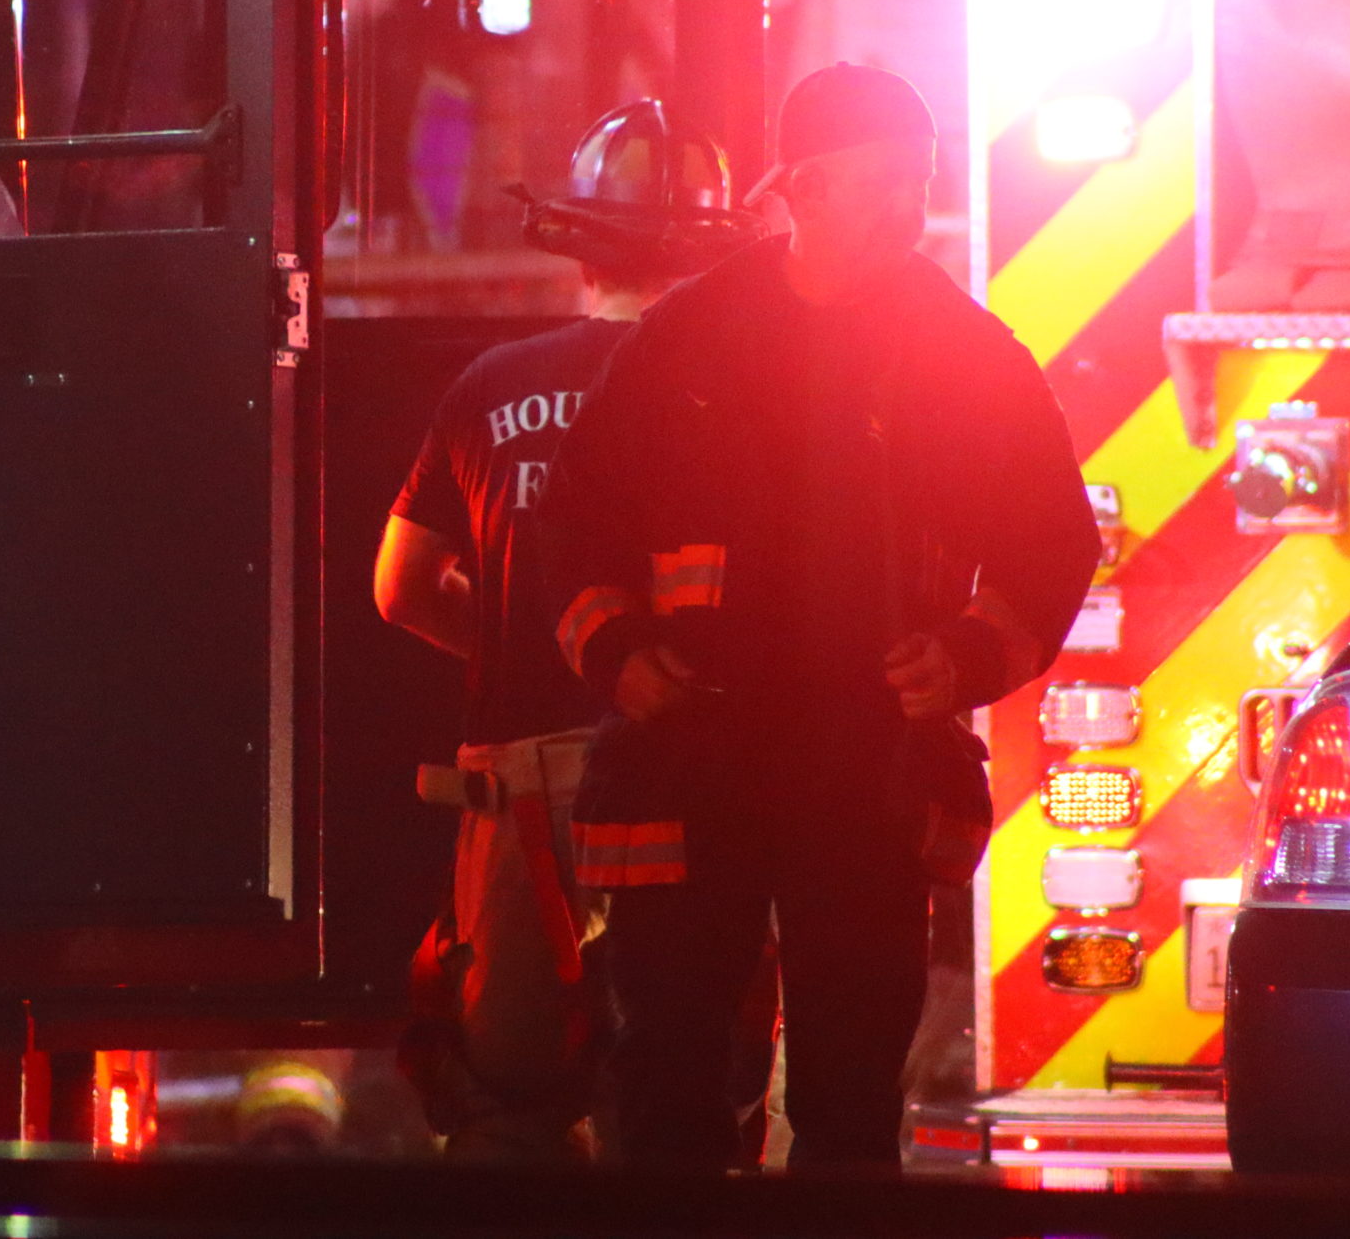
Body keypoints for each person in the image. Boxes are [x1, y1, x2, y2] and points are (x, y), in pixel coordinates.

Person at [541, 63, 1099, 1172]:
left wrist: (969, 655)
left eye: (920, 180)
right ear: (802, 188)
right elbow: (573, 517)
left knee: (849, 1098)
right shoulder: (685, 340)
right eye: (882, 183)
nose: (909, 207)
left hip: (868, 770)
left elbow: (1053, 539)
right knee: (667, 1080)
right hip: (693, 758)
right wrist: (614, 650)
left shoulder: (965, 355)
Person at [376, 100, 757, 1158]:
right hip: (701, 782)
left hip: (524, 800)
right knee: (694, 1105)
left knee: (510, 1111)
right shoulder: (745, 400)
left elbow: (398, 589)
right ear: (714, 250)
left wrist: (521, 642)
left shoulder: (487, 390)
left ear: (575, 239)